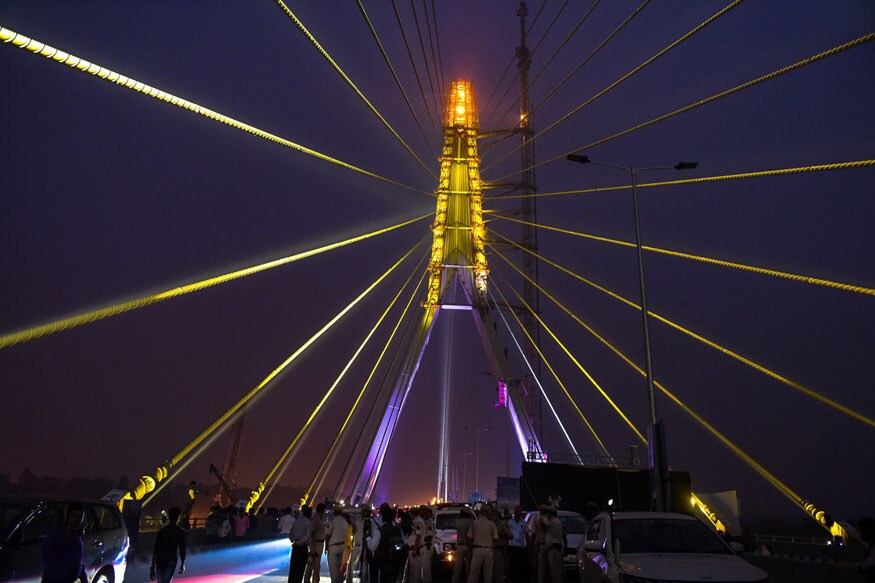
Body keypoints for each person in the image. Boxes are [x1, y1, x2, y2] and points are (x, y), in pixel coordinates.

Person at [42, 503, 88, 583]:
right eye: (74, 516)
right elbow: (48, 556)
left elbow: (78, 559)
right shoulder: (57, 534)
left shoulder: (77, 535)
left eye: (80, 517)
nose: (77, 519)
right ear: (68, 517)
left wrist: (84, 578)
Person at [150, 507, 187, 583]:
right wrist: (182, 563)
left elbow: (156, 550)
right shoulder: (180, 532)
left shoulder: (162, 531)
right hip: (171, 560)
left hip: (160, 560)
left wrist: (152, 567)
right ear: (178, 517)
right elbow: (182, 549)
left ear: (169, 517)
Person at [467, 507, 498, 583]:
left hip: (477, 549)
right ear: (488, 513)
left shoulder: (474, 523)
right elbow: (496, 538)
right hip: (488, 550)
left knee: (473, 574)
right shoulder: (492, 524)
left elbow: (469, 537)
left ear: (480, 512)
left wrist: (471, 549)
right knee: (488, 575)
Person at [537, 507, 563, 583]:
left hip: (554, 549)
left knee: (555, 573)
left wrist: (544, 516)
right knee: (555, 572)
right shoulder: (556, 521)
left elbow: (544, 521)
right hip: (555, 549)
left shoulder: (553, 522)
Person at [289, 506, 313, 583]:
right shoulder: (308, 523)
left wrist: (294, 541)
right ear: (309, 514)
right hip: (302, 548)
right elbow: (307, 537)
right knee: (300, 570)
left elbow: (290, 534)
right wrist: (299, 543)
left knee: (293, 569)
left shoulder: (297, 521)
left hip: (295, 548)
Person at [304, 503, 327, 583]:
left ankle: (310, 580)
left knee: (313, 563)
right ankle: (312, 580)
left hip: (318, 543)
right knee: (314, 564)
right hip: (317, 544)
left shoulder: (317, 519)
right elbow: (312, 534)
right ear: (322, 510)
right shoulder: (316, 520)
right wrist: (313, 549)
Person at [327, 504, 348, 583]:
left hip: (333, 547)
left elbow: (328, 535)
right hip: (343, 547)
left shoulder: (333, 522)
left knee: (333, 570)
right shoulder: (345, 522)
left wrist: (326, 547)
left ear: (335, 512)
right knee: (340, 570)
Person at [507, 506, 528, 582]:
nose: (518, 513)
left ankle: (518, 579)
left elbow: (527, 534)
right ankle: (511, 579)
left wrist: (527, 545)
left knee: (519, 564)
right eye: (516, 511)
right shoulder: (510, 522)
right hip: (511, 546)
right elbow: (507, 533)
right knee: (511, 563)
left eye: (519, 512)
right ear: (514, 512)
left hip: (520, 546)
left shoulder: (524, 523)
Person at [492, 509, 511, 583]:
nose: (493, 516)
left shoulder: (502, 525)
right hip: (490, 549)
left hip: (499, 549)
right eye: (492, 515)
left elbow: (510, 535)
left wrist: (500, 535)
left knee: (499, 571)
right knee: (491, 571)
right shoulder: (490, 524)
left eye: (495, 514)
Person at [419, 506, 436, 583]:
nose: (423, 514)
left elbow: (429, 536)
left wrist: (420, 539)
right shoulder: (425, 522)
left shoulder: (430, 523)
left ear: (429, 514)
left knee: (426, 568)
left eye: (425, 513)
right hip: (424, 546)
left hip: (427, 546)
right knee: (424, 567)